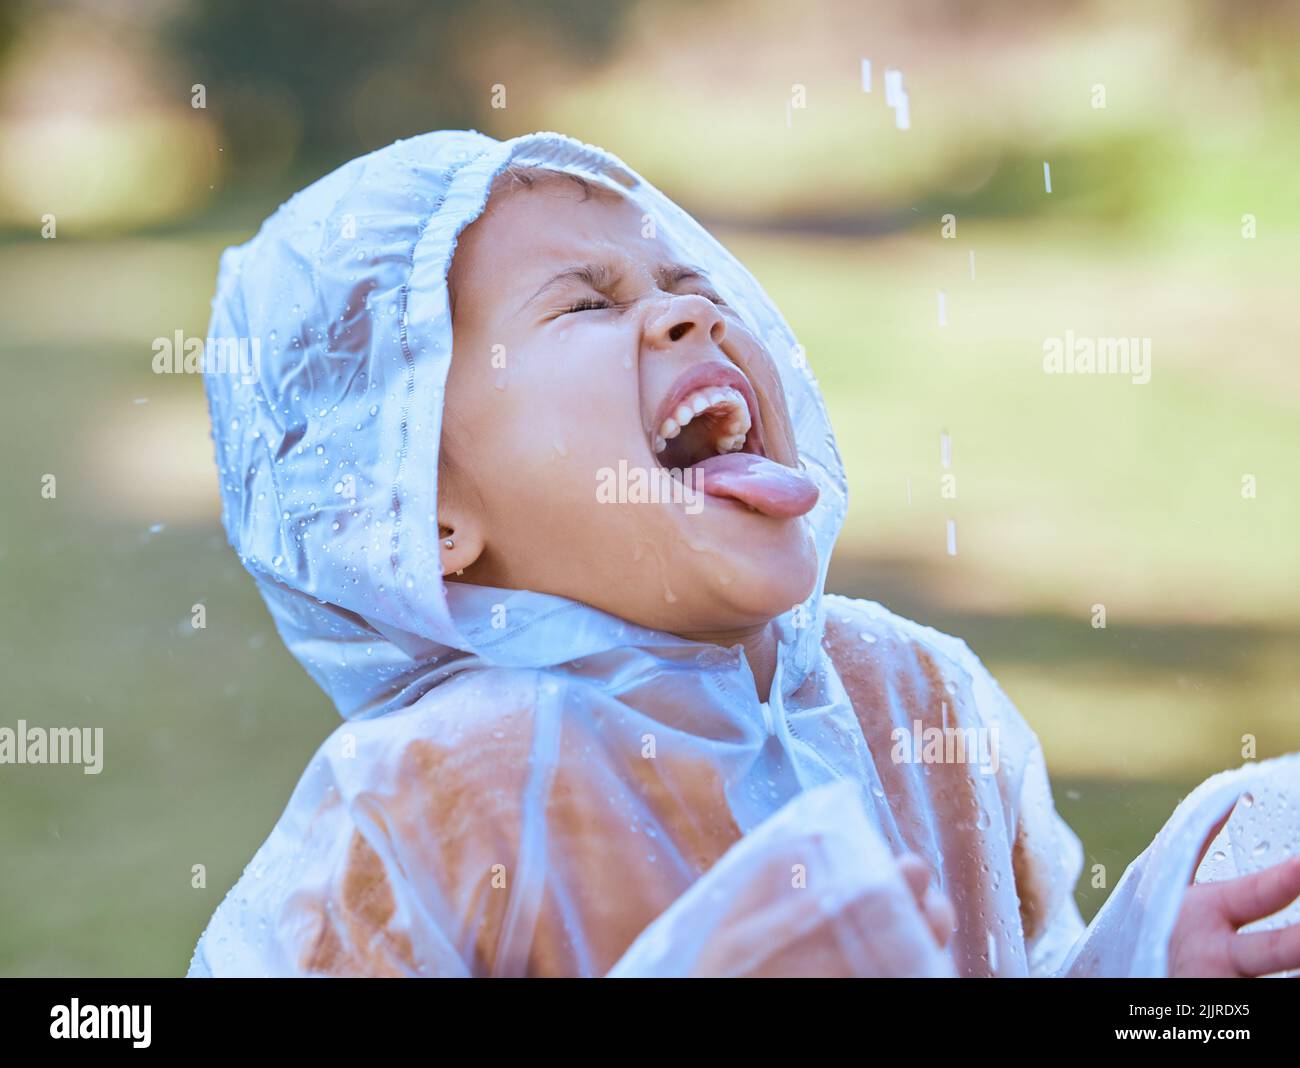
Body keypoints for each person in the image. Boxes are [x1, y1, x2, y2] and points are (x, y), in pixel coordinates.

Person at [189, 129, 1300, 977]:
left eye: (691, 285)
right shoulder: (422, 802)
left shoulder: (916, 704)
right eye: (584, 302)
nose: (685, 318)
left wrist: (1144, 977)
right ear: (418, 515)